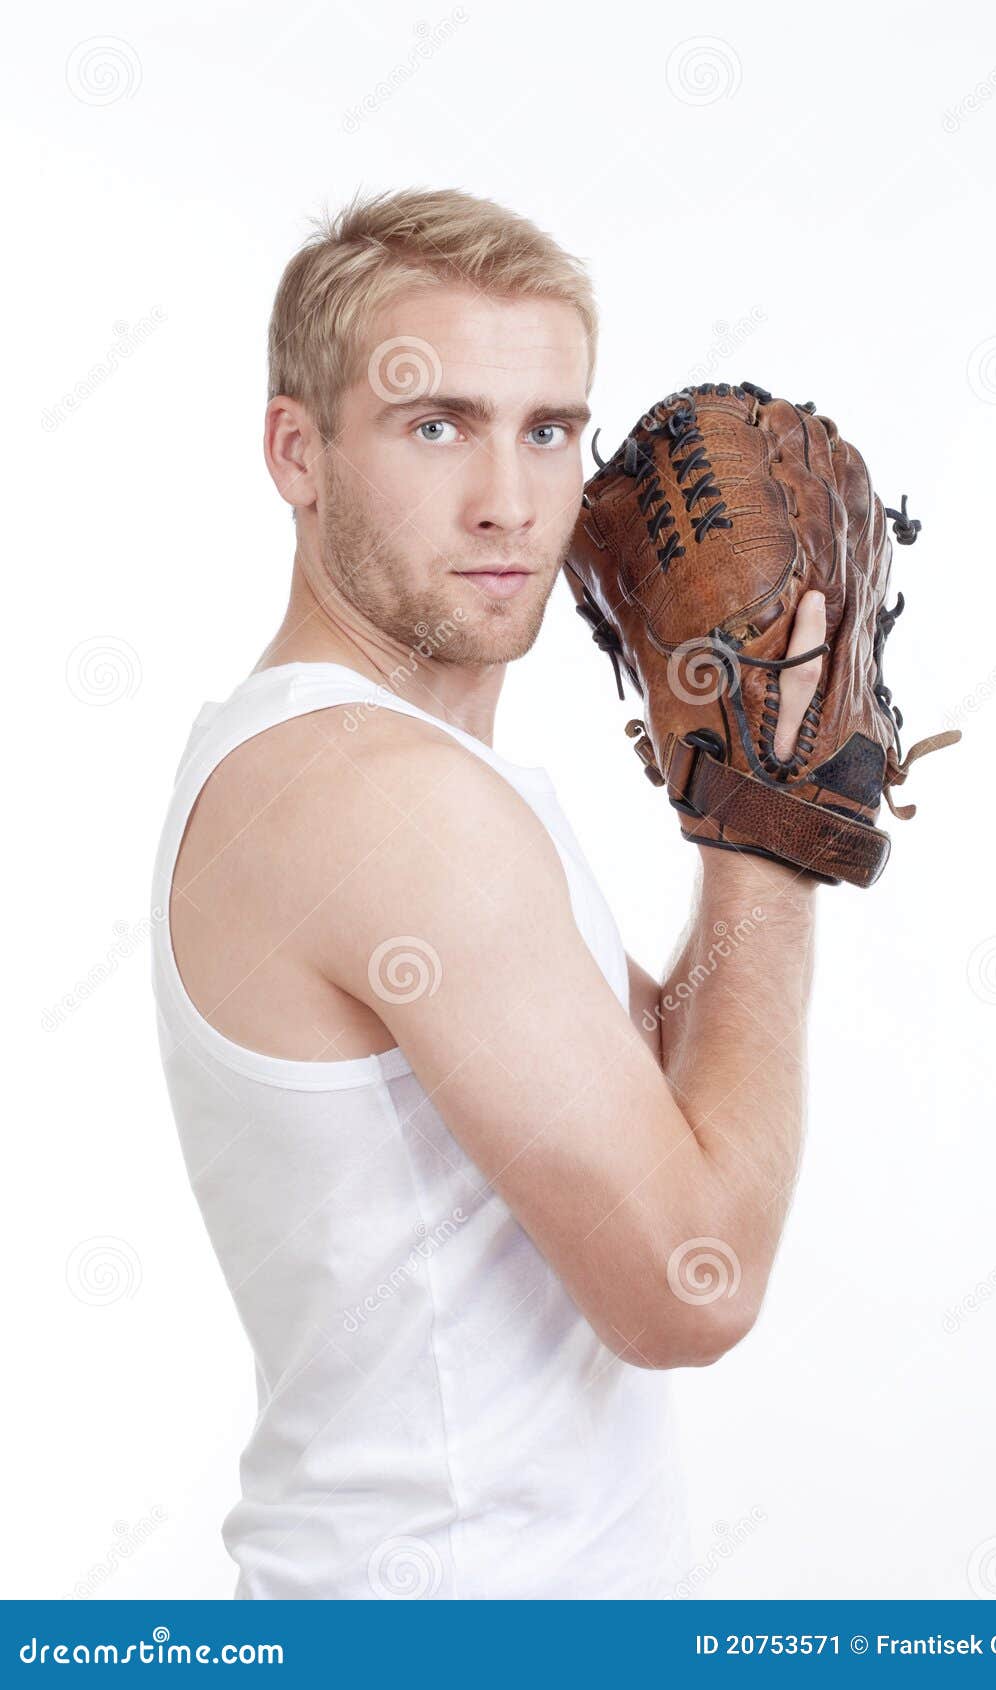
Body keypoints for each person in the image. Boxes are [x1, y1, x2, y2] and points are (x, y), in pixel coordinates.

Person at [149, 187, 824, 1600]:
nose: (510, 501)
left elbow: (660, 1110)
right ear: (297, 451)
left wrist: (747, 792)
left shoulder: (409, 779)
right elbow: (690, 1281)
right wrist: (771, 836)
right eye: (436, 425)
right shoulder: (381, 797)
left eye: (549, 430)